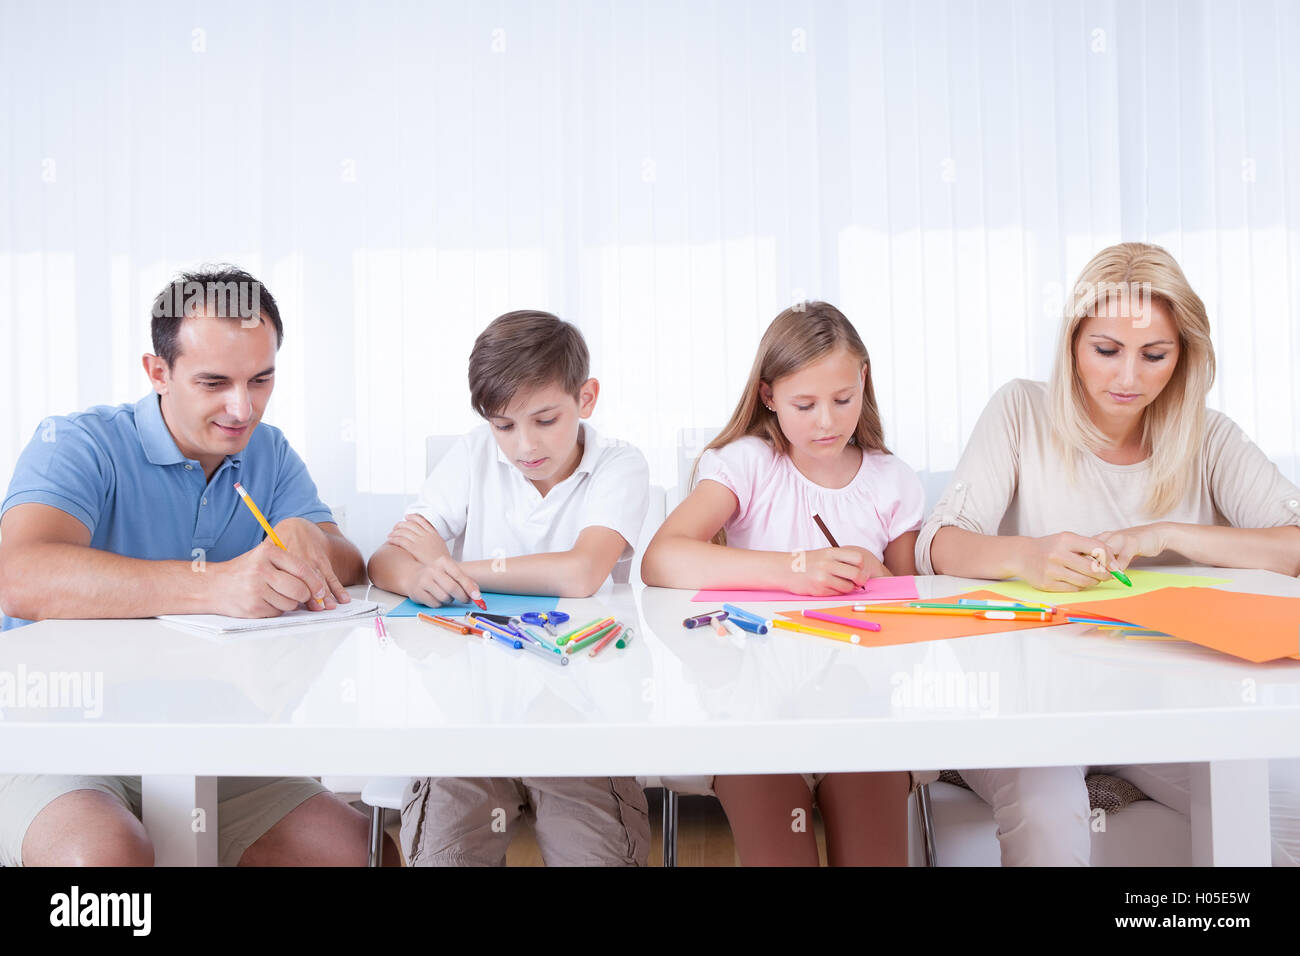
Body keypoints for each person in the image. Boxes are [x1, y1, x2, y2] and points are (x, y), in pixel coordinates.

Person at [917, 242, 1300, 865]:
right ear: (1073, 343)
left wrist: (1167, 534)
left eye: (1154, 355)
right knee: (1047, 811)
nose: (1128, 379)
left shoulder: (1208, 436)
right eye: (1106, 350)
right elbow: (938, 545)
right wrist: (1026, 556)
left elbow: (1294, 546)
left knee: (1271, 818)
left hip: (1162, 701)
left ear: (1183, 356)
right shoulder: (1021, 410)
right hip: (1029, 700)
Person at [0, 266, 396, 866]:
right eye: (214, 382)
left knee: (359, 855)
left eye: (261, 379)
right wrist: (216, 585)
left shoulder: (268, 451)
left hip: (218, 741)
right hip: (58, 738)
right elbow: (21, 576)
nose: (242, 407)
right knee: (102, 861)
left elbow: (348, 562)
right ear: (157, 372)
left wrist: (307, 538)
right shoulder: (77, 443)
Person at [641, 301, 923, 865]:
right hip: (754, 718)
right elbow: (661, 559)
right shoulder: (747, 464)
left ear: (864, 381)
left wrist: (884, 578)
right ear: (768, 395)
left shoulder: (891, 480)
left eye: (843, 399)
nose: (827, 422)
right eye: (804, 404)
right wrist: (797, 569)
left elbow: (914, 615)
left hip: (862, 715)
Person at [369, 309, 651, 866]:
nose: (524, 445)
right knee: (444, 855)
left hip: (580, 719)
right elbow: (385, 559)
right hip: (474, 720)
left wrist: (454, 567)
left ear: (586, 398)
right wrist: (420, 574)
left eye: (545, 419)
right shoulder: (473, 454)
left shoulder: (620, 464)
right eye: (504, 425)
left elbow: (581, 573)